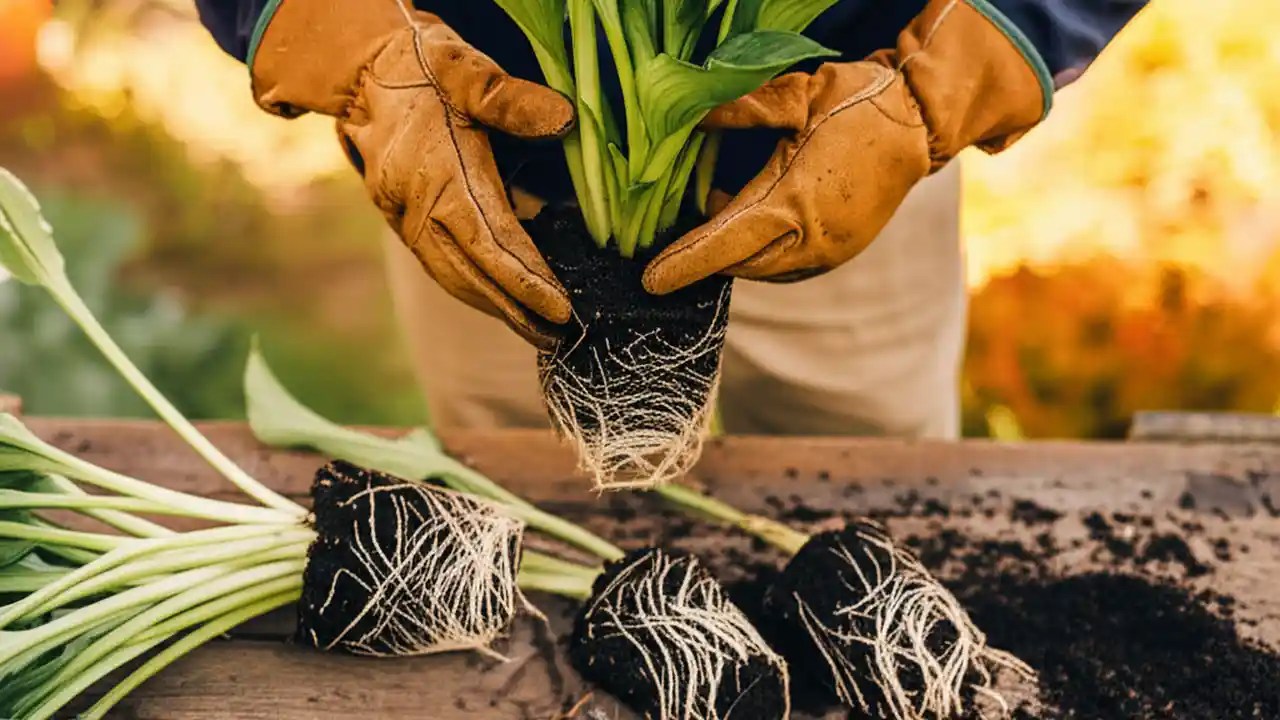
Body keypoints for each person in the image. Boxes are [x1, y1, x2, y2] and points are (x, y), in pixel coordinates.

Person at [195, 0, 1147, 439]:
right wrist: (334, 34)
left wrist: (964, 70)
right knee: (529, 502)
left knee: (864, 491)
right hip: (463, 148)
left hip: (860, 142)